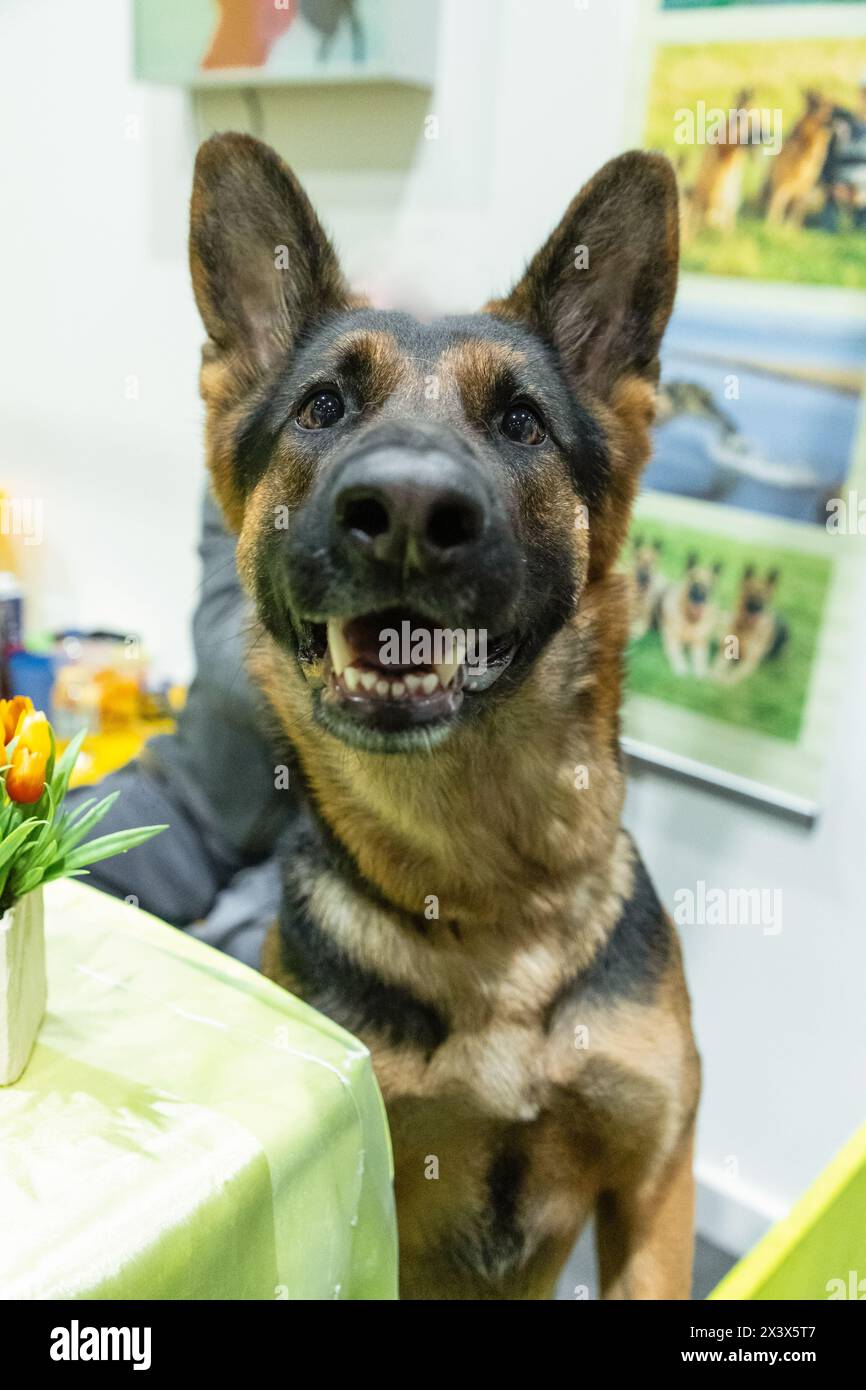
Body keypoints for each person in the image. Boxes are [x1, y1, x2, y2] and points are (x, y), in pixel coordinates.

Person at [66, 493, 294, 967]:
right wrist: (351, 685)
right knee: (34, 864)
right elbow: (221, 641)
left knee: (232, 975)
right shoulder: (250, 441)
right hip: (191, 797)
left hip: (352, 847)